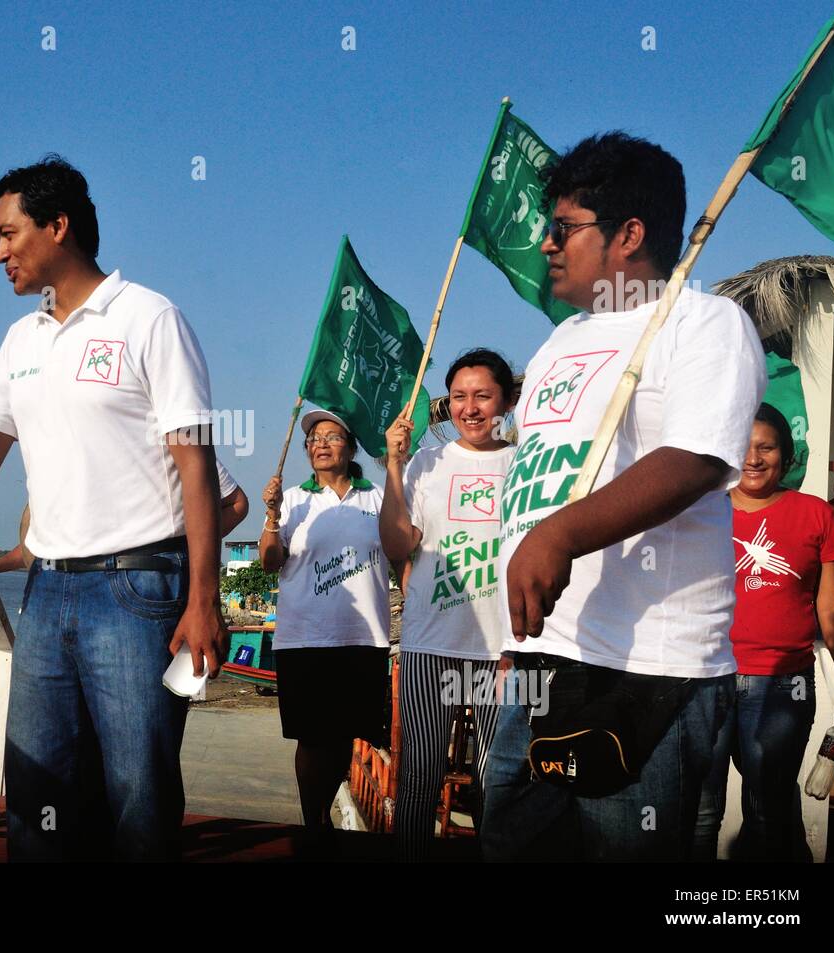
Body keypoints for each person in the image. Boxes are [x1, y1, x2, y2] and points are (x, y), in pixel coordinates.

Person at [0, 156, 226, 861]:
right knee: (36, 794)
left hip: (138, 588)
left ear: (58, 226)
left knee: (138, 795)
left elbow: (198, 467)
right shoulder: (19, 340)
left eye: (9, 233)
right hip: (47, 590)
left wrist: (204, 597)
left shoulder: (150, 318)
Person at [480, 132, 767, 861]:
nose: (546, 244)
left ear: (629, 234)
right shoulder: (556, 344)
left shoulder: (705, 323)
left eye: (564, 228)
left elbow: (698, 457)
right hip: (540, 663)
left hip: (645, 674)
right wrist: (518, 644)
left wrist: (560, 535)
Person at [694, 405, 834, 860]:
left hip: (783, 685)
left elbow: (831, 606)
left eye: (767, 447)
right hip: (705, 682)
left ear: (786, 455)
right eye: (743, 447)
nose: (754, 458)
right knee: (700, 813)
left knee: (770, 813)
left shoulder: (815, 514)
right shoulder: (702, 513)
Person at [380, 349, 516, 861]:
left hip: (499, 649)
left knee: (496, 780)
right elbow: (397, 544)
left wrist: (518, 642)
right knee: (420, 775)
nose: (471, 408)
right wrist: (394, 465)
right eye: (459, 397)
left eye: (483, 396)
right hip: (428, 641)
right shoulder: (426, 462)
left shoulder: (524, 463)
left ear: (506, 400)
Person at [260, 410, 391, 853]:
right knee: (312, 737)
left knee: (347, 733)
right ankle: (313, 822)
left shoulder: (376, 498)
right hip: (304, 637)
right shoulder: (294, 498)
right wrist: (272, 516)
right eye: (313, 439)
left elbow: (404, 549)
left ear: (351, 448)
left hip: (363, 635)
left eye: (332, 437)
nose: (320, 444)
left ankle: (318, 822)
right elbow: (269, 561)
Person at [0, 460, 247, 575]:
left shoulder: (163, 430)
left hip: (139, 588)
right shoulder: (64, 459)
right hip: (51, 589)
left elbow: (236, 504)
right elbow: (40, 544)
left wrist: (176, 551)